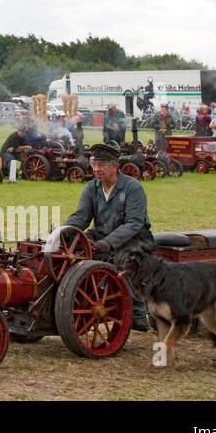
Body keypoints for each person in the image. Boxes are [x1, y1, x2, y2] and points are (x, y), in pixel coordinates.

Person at [62, 141, 154, 331]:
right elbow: (81, 216)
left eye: (101, 165)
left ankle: (137, 313)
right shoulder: (91, 188)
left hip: (135, 239)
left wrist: (106, 243)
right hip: (102, 235)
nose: (96, 169)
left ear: (114, 166)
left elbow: (134, 223)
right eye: (94, 164)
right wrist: (62, 234)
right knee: (72, 254)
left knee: (124, 262)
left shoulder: (132, 187)